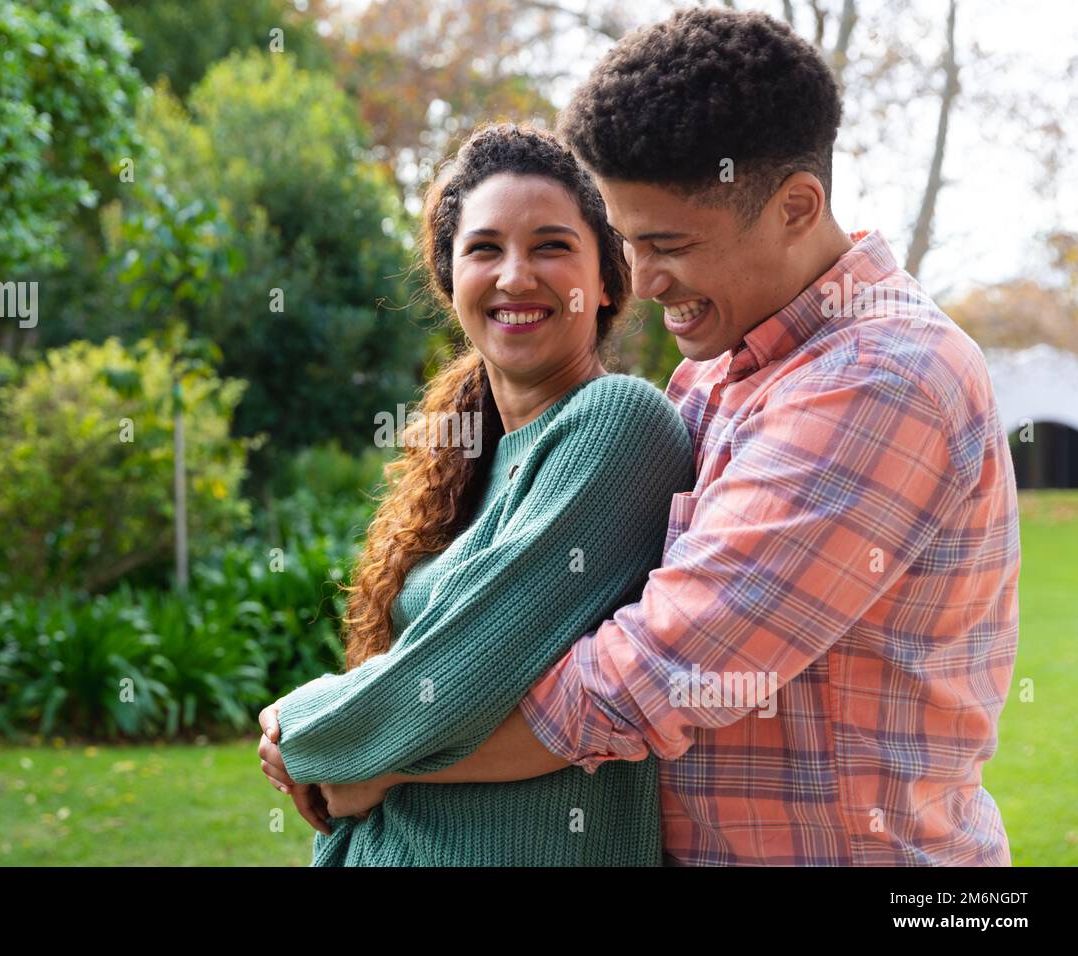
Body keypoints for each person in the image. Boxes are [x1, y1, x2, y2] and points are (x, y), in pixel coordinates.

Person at [262, 7, 1019, 866]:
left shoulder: (885, 380)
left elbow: (647, 676)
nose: (643, 279)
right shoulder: (715, 373)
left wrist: (383, 763)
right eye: (627, 241)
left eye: (667, 244)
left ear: (797, 208)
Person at [258, 122, 693, 865]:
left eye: (552, 246)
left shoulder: (620, 423)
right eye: (485, 249)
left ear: (609, 278)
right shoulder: (471, 457)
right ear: (450, 279)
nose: (516, 276)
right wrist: (359, 753)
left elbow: (459, 671)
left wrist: (301, 726)